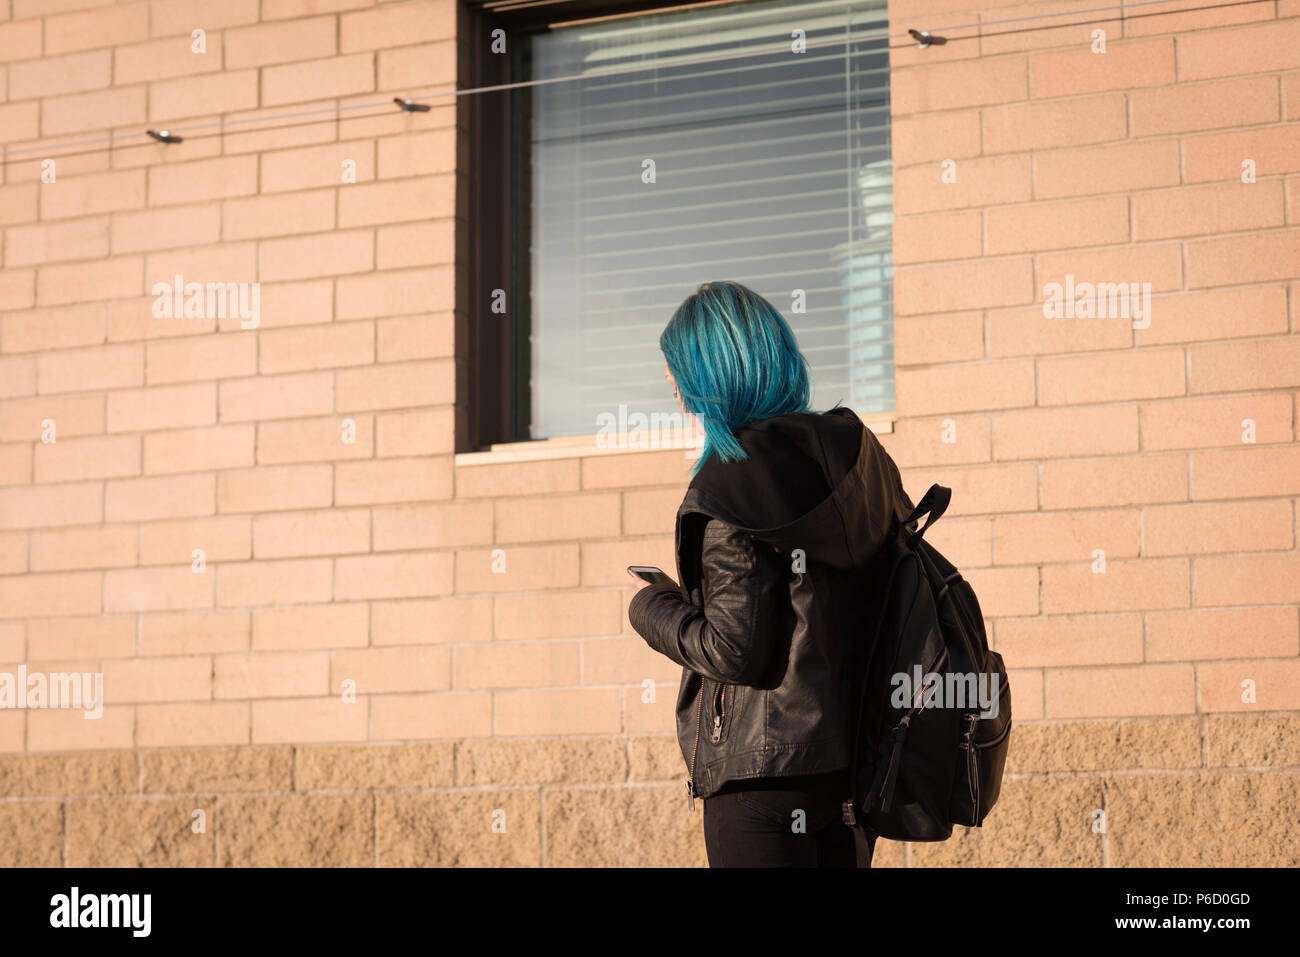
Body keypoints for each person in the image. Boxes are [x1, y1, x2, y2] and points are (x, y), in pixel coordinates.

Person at [627, 280, 914, 868]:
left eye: (678, 372)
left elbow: (736, 651)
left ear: (712, 373)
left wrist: (653, 605)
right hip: (852, 773)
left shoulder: (729, 484)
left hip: (761, 779)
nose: (673, 388)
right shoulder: (857, 463)